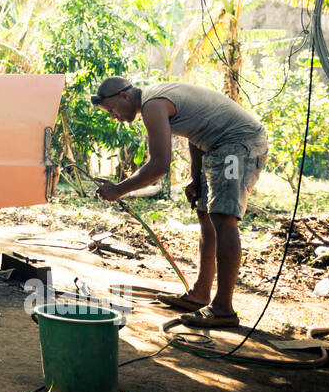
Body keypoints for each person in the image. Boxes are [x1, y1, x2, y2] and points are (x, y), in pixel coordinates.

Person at [90, 76, 268, 328]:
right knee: (206, 216)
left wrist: (119, 189)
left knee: (223, 218)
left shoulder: (152, 104)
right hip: (217, 145)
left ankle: (223, 309)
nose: (113, 116)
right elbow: (195, 133)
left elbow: (160, 164)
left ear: (125, 97)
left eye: (112, 110)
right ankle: (200, 294)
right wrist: (195, 177)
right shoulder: (155, 98)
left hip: (238, 143)